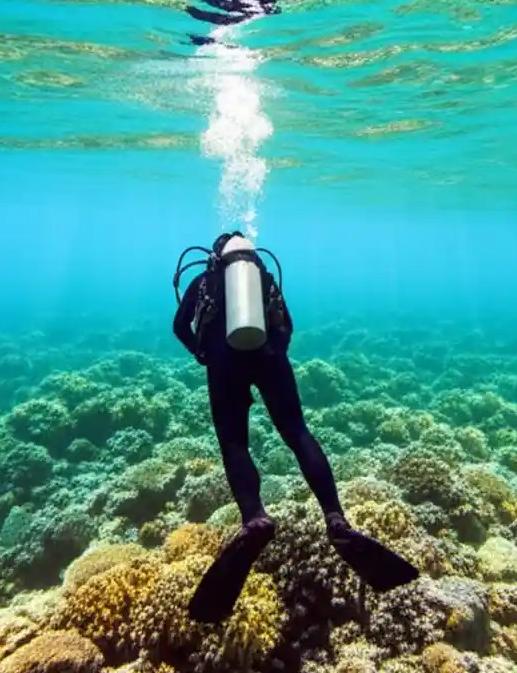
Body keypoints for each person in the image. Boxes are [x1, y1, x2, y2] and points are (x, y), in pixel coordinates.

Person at [172, 231, 418, 623]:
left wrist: (205, 354)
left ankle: (254, 517)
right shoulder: (264, 277)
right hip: (271, 360)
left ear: (215, 257)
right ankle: (335, 517)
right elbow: (287, 327)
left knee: (235, 443)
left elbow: (179, 326)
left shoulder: (205, 281)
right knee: (298, 434)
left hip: (223, 365)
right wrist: (271, 359)